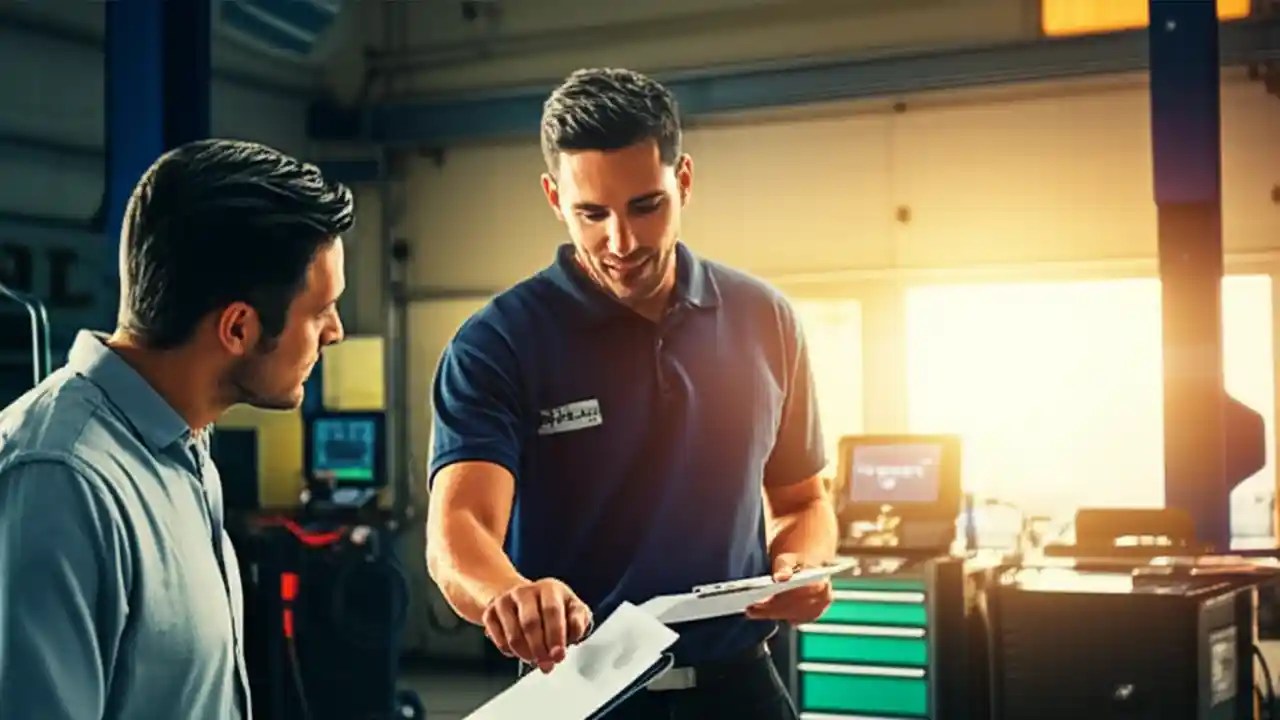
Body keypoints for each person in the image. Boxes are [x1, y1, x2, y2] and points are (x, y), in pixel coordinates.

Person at [426, 67, 837, 719]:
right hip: (583, 691)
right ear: (554, 198)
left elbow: (801, 500)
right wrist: (509, 594)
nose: (622, 243)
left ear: (684, 181)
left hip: (741, 686)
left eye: (646, 205)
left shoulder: (767, 319)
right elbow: (462, 526)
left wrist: (801, 564)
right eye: (592, 213)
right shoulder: (496, 344)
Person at [0, 138, 352, 720]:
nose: (335, 331)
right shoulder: (58, 483)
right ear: (237, 328)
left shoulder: (183, 447)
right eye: (319, 311)